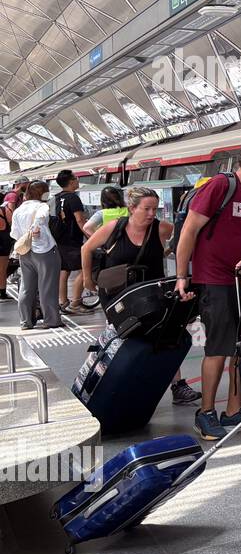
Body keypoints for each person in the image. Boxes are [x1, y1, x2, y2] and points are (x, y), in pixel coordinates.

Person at [174, 138, 241, 441]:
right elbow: (190, 229)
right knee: (218, 347)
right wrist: (182, 276)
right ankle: (205, 412)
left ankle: (234, 410)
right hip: (215, 280)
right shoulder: (220, 186)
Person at [80, 186, 202, 406]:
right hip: (118, 296)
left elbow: (178, 245)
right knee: (126, 337)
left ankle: (177, 385)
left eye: (155, 209)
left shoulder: (162, 229)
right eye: (146, 209)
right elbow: (86, 249)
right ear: (132, 208)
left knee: (166, 332)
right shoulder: (114, 229)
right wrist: (88, 280)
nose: (151, 214)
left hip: (151, 293)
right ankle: (119, 383)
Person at [11, 181, 63, 331]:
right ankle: (51, 320)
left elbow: (14, 233)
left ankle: (26, 322)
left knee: (26, 287)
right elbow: (41, 217)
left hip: (25, 252)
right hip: (44, 250)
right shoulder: (42, 206)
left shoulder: (19, 210)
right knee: (47, 286)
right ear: (44, 194)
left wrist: (25, 236)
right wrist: (35, 229)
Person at [51, 169, 92, 316]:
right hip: (72, 239)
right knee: (86, 267)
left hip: (59, 239)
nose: (78, 180)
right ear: (71, 181)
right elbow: (80, 220)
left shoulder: (56, 197)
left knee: (64, 270)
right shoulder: (73, 198)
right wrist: (90, 236)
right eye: (76, 178)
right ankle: (76, 302)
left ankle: (63, 302)